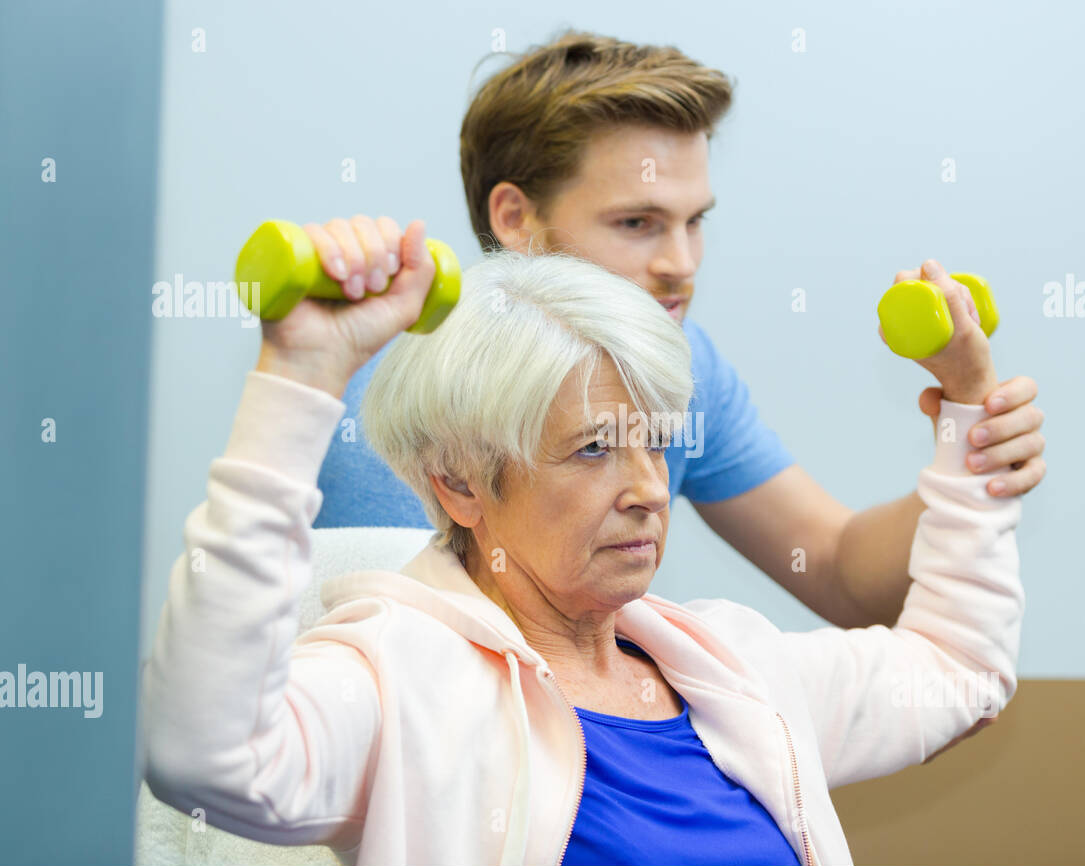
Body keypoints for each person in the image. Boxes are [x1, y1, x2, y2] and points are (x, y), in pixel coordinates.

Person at [140, 218, 1025, 865]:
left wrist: (969, 412)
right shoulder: (400, 681)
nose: (649, 490)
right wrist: (298, 377)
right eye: (596, 449)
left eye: (654, 443)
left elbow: (958, 669)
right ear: (460, 484)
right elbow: (207, 758)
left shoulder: (737, 669)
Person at [312, 31, 1046, 652]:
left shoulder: (685, 366)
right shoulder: (417, 395)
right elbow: (416, 674)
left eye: (694, 222)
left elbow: (839, 574)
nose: (682, 264)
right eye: (638, 223)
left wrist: (971, 448)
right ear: (514, 218)